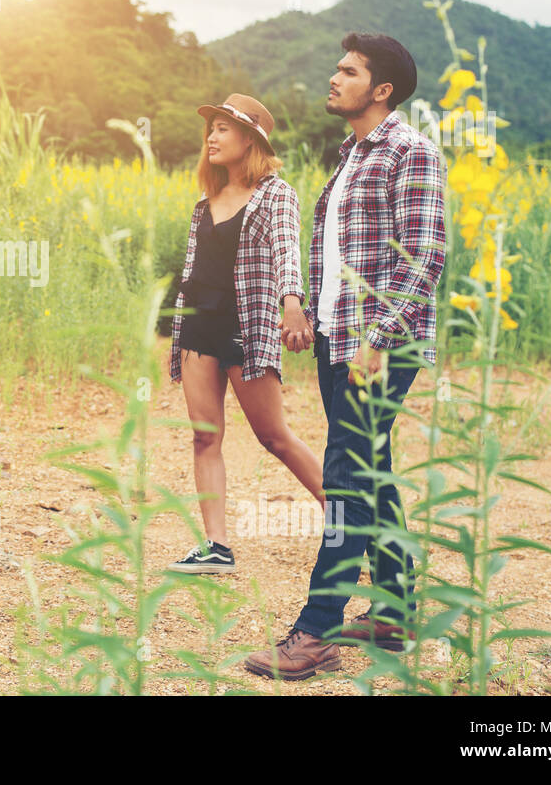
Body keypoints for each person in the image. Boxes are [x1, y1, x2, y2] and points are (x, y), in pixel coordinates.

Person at [244, 33, 447, 680]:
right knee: (370, 467)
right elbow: (329, 243)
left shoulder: (411, 152)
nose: (333, 78)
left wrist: (378, 340)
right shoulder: (351, 155)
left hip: (379, 343)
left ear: (380, 89)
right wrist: (299, 303)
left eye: (348, 71)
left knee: (348, 476)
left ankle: (316, 629)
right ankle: (395, 610)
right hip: (339, 334)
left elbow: (424, 256)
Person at [167, 93, 324, 575]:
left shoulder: (276, 193)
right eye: (210, 130)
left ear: (249, 139)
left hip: (246, 327)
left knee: (274, 436)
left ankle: (355, 526)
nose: (211, 138)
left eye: (222, 129)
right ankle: (217, 546)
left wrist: (292, 304)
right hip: (199, 327)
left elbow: (285, 251)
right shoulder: (203, 203)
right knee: (204, 436)